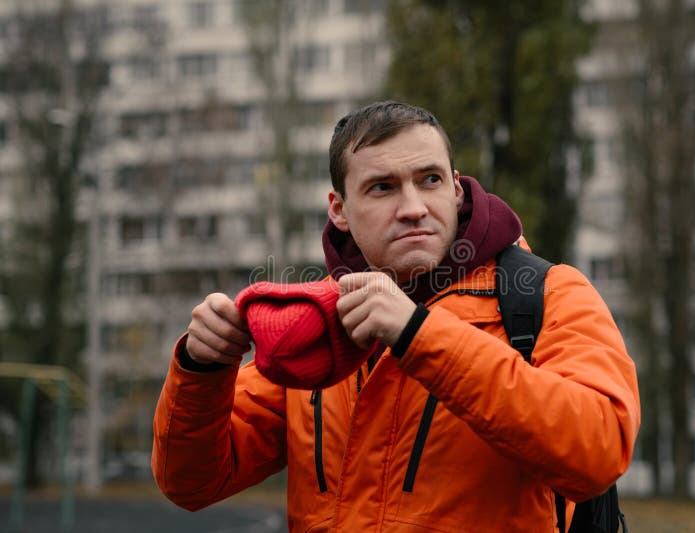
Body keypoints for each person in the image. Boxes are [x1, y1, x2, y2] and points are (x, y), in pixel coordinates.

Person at [152, 101, 640, 532]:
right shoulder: (320, 321)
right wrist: (201, 368)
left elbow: (599, 450)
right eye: (382, 187)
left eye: (429, 180)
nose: (412, 208)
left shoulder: (547, 293)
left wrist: (417, 333)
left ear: (455, 188)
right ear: (339, 210)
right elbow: (191, 482)